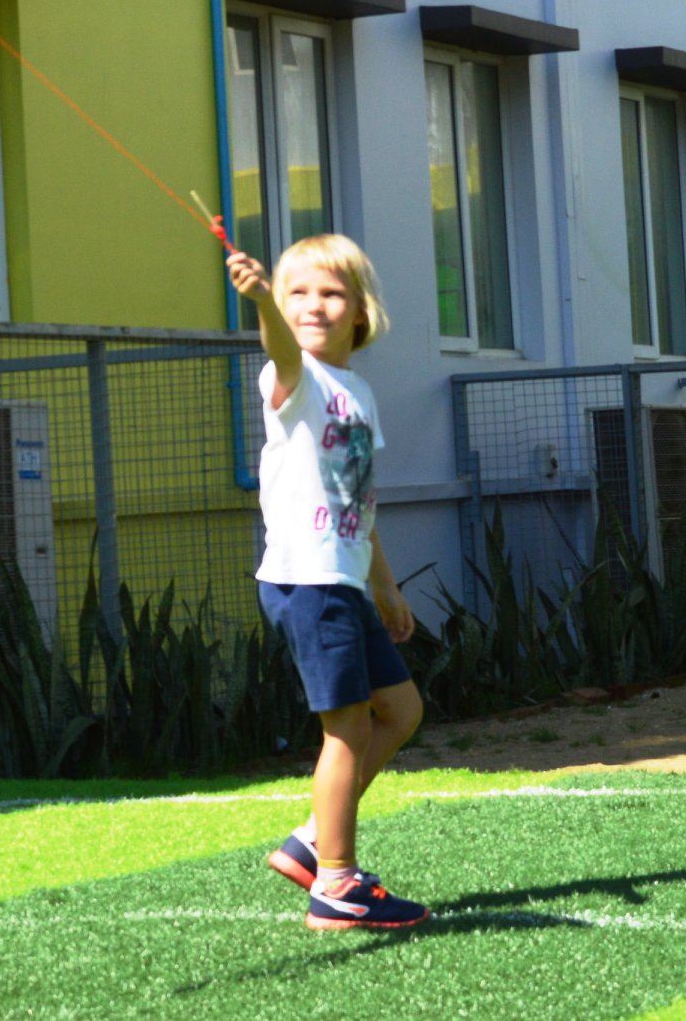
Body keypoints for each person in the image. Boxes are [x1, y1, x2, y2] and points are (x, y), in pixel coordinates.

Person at [226, 233, 429, 931]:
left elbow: (356, 499)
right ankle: (336, 883)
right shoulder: (293, 378)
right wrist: (259, 302)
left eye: (330, 293)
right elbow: (282, 350)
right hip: (305, 582)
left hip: (342, 581)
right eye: (297, 293)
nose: (313, 306)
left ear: (360, 312)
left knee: (400, 711)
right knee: (344, 731)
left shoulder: (357, 392)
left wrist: (385, 584)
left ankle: (311, 840)